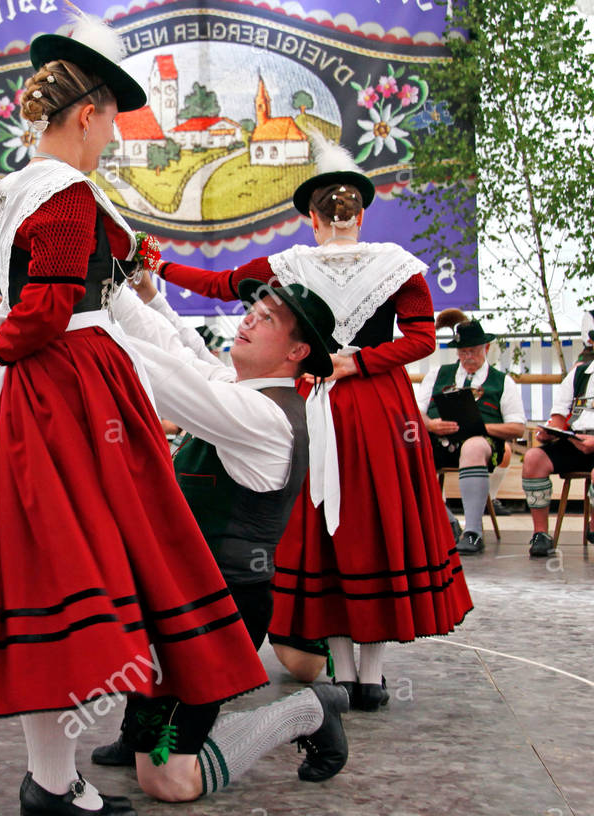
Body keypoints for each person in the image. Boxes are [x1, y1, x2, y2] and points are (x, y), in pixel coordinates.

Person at [0, 15, 268, 816]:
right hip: (68, 390)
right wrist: (13, 340)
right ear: (86, 114)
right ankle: (55, 782)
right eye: (111, 121)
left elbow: (40, 311)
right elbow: (49, 310)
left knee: (51, 582)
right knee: (85, 572)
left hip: (36, 391)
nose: (115, 138)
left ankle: (51, 777)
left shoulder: (23, 190)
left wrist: (4, 346)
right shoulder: (65, 195)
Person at [154, 131, 473, 712]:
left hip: (311, 400)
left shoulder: (286, 262)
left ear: (310, 214)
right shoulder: (398, 265)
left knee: (321, 526)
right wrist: (364, 361)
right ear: (359, 210)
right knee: (373, 522)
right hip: (377, 407)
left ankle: (343, 669)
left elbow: (217, 284)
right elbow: (424, 339)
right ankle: (369, 677)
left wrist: (156, 264)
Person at [86, 277, 349, 796]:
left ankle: (308, 710)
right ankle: (143, 731)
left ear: (298, 351)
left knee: (170, 782)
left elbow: (170, 379)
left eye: (267, 318)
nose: (248, 318)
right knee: (149, 709)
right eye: (252, 310)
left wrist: (82, 325)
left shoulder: (268, 416)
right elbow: (169, 344)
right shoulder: (240, 389)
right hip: (184, 593)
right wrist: (110, 281)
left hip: (221, 608)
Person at [416, 312, 525, 555]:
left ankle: (473, 531)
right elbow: (416, 412)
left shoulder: (501, 381)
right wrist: (432, 425)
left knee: (473, 445)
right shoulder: (437, 375)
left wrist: (478, 428)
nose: (468, 357)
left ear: (486, 347)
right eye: (462, 351)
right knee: (404, 447)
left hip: (484, 446)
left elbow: (518, 427)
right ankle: (446, 521)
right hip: (440, 440)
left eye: (473, 351)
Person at [521, 326, 594, 555]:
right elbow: (558, 417)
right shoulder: (579, 374)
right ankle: (541, 534)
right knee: (533, 458)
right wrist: (548, 432)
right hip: (574, 440)